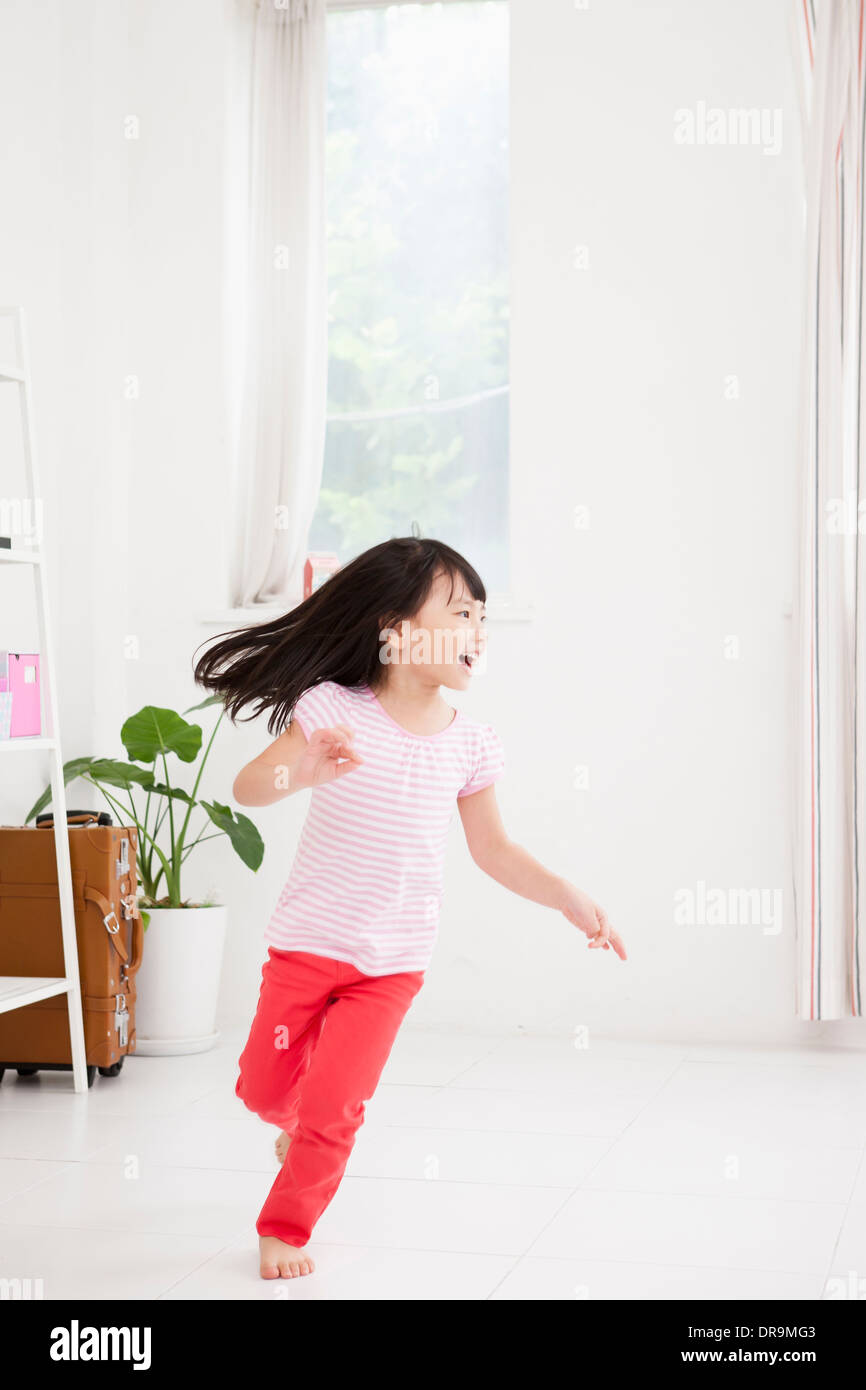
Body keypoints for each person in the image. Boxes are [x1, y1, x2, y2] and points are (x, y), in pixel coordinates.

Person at [193, 535, 626, 1279]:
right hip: (305, 944)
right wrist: (299, 769)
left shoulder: (471, 745)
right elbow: (248, 789)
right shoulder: (332, 708)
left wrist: (567, 897)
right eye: (461, 613)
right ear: (394, 629)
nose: (478, 633)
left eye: (482, 617)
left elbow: (494, 850)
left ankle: (285, 1227)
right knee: (260, 1087)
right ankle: (291, 1125)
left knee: (337, 1111)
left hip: (390, 965)